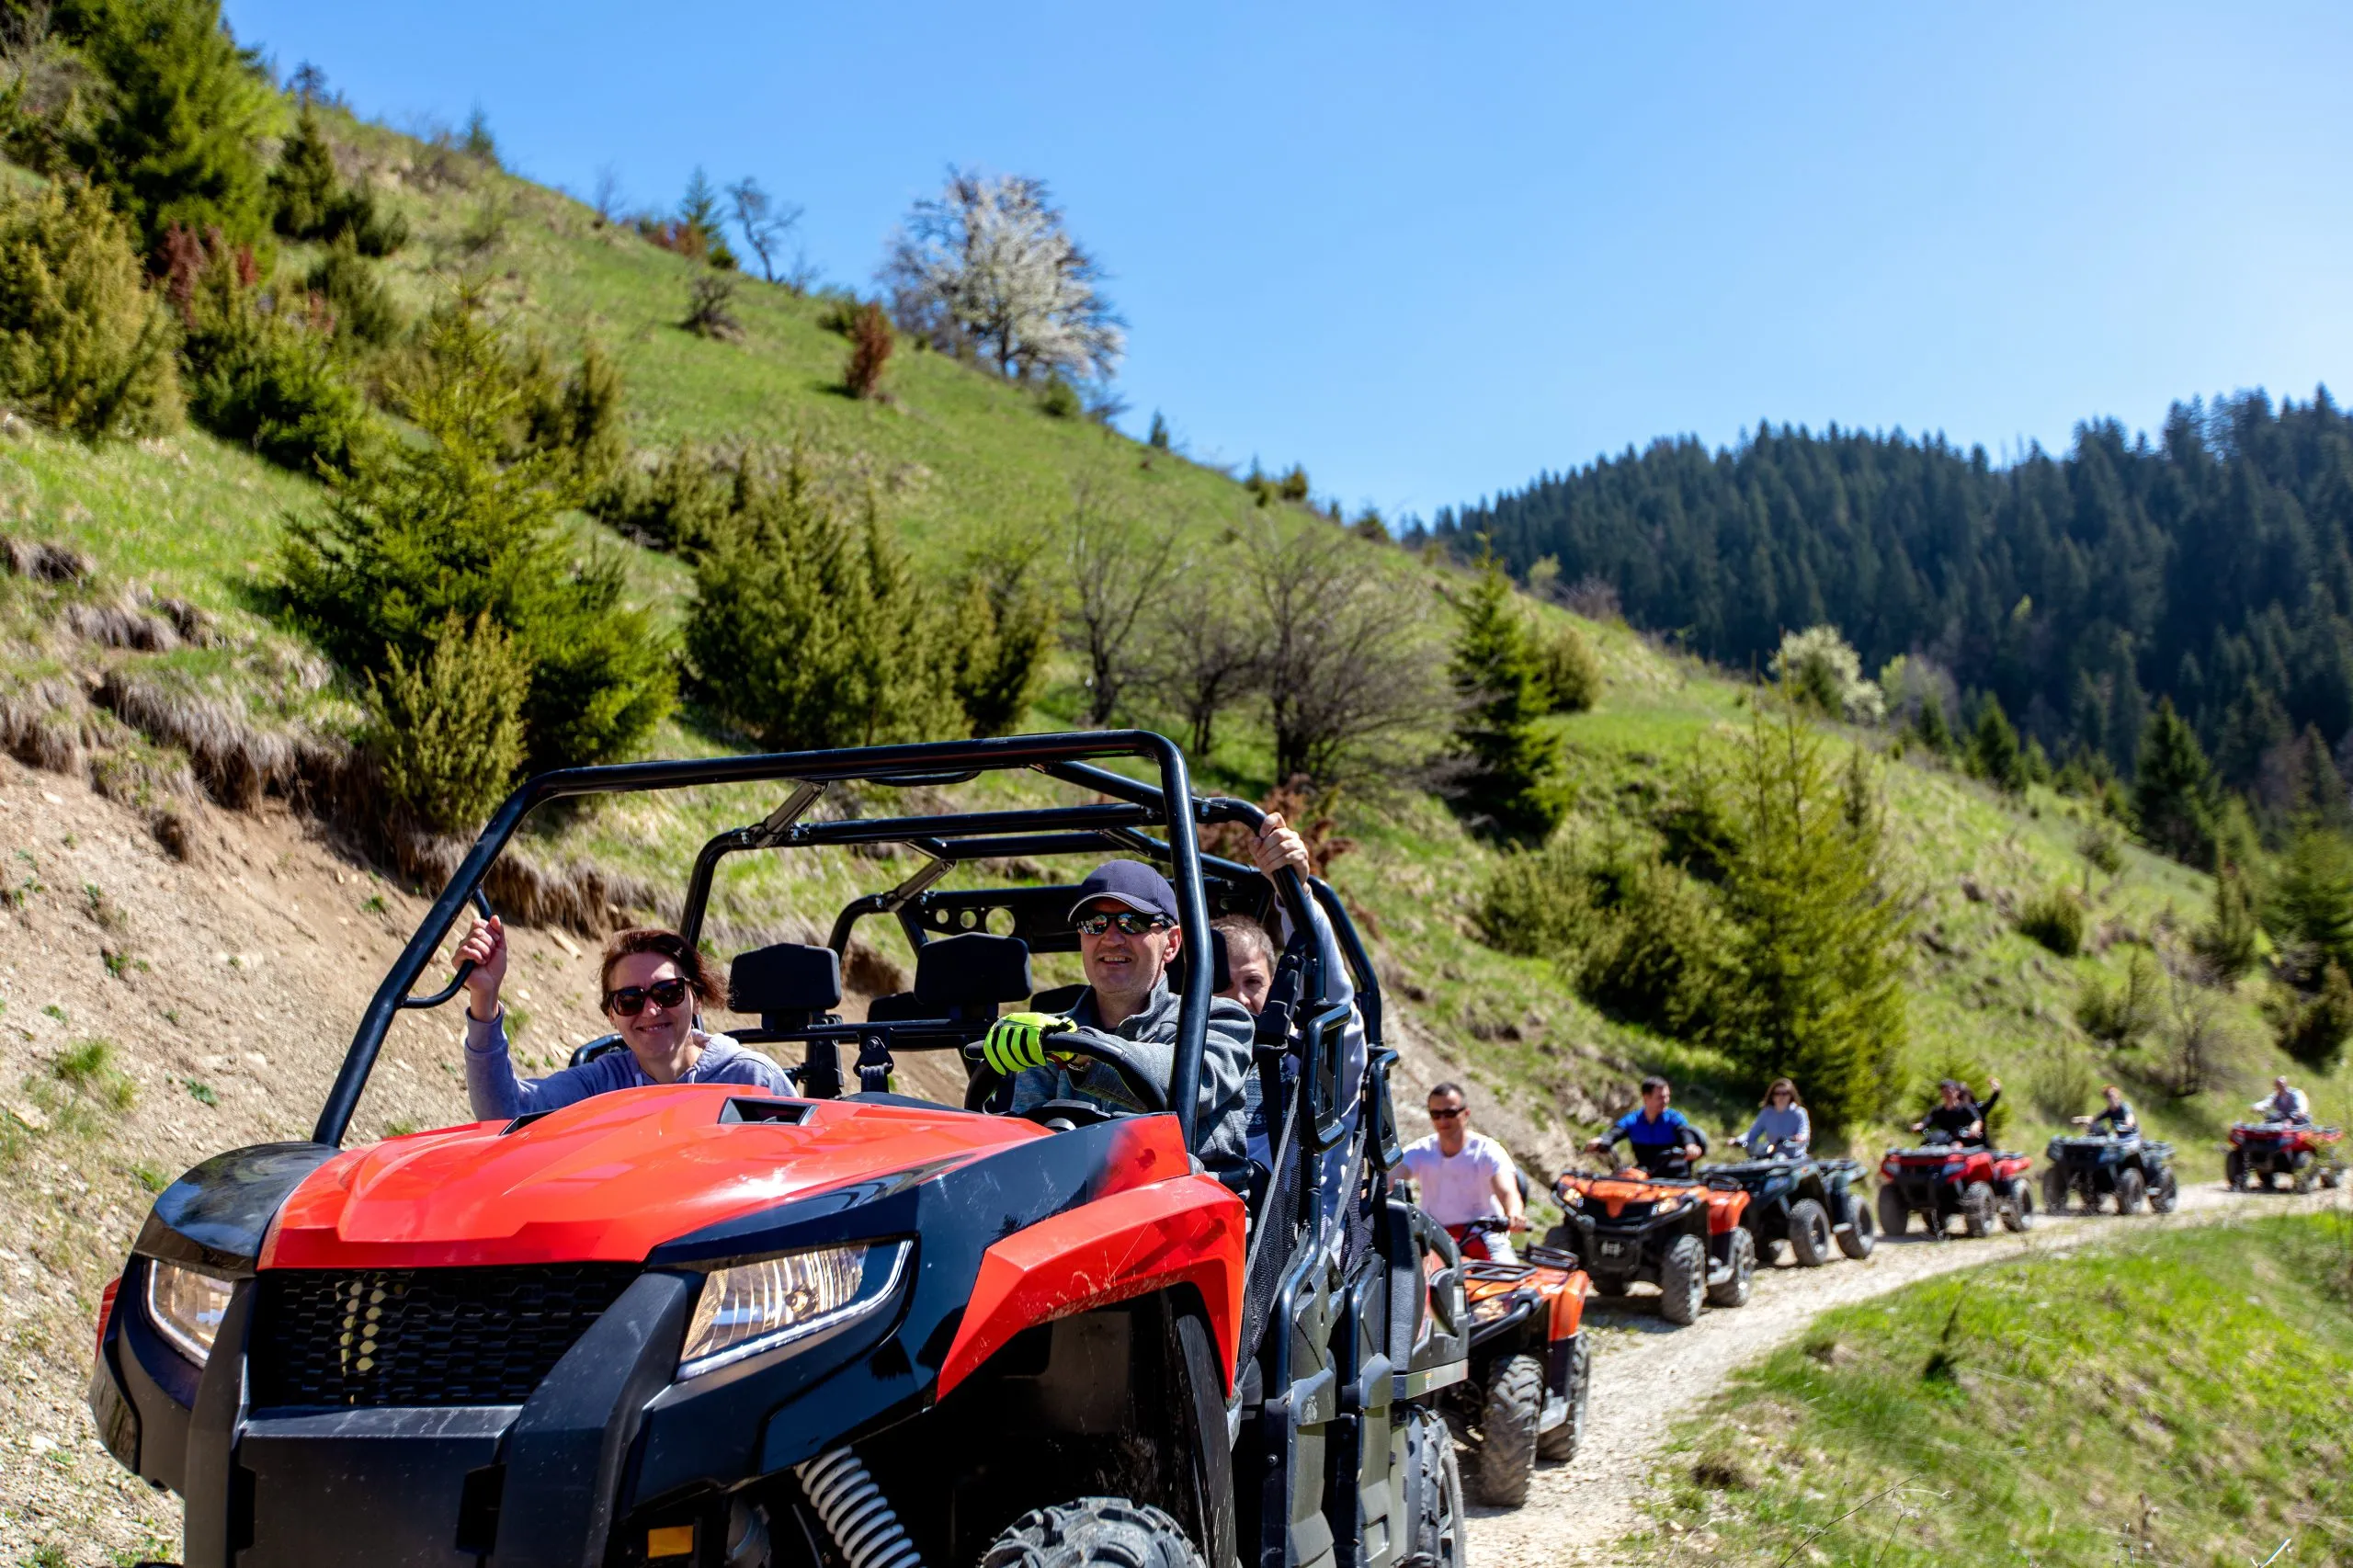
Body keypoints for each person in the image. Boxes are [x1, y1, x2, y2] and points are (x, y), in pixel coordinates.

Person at [979, 860, 1255, 1187]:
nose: (1111, 938)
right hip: (1079, 1218)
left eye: (1132, 922)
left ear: (1172, 943)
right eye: (1094, 923)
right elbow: (1029, 1152)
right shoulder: (1052, 1037)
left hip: (1193, 1219)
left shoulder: (1221, 1020)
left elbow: (1191, 1082)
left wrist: (1084, 1052)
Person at [455, 919, 795, 1119]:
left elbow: (808, 1174)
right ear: (611, 1015)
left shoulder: (750, 1077)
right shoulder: (600, 1088)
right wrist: (485, 999)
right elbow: (504, 1113)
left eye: (668, 992)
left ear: (698, 997)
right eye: (629, 1000)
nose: (650, 1011)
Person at [1400, 1083, 1527, 1261]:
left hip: (1484, 1235)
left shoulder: (1487, 1150)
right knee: (1404, 1282)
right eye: (1436, 1114)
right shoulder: (1421, 1150)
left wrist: (1514, 1213)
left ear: (1466, 1113)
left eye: (1450, 1113)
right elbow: (1389, 1178)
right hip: (1435, 1239)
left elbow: (1507, 1191)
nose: (1443, 1120)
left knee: (1506, 1281)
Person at [1587, 1075, 1709, 1176]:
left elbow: (1685, 1134)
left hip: (1675, 1177)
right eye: (1660, 1097)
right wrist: (1601, 1140)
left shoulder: (1674, 1118)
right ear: (1646, 1098)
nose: (1665, 1101)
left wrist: (1691, 1146)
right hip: (1645, 1173)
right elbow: (1615, 1133)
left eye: (1667, 1096)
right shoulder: (1633, 1120)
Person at [1213, 914, 1278, 1016]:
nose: (1240, 999)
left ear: (1273, 987)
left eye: (1253, 981)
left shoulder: (1304, 1030)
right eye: (1224, 984)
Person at [1912, 1076, 2003, 1146]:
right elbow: (1927, 1120)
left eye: (1950, 1091)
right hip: (1944, 1141)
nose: (1948, 1094)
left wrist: (1975, 1126)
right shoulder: (1938, 1110)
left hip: (1964, 1142)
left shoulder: (1967, 1108)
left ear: (1956, 1092)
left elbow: (1977, 1119)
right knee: (1927, 1144)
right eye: (1945, 1091)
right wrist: (1920, 1125)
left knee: (1957, 1146)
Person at [1740, 1078, 1811, 1158]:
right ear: (1772, 1096)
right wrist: (1737, 1140)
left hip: (1795, 1157)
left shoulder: (1799, 1112)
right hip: (1772, 1155)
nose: (1781, 1097)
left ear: (1791, 1095)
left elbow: (1804, 1132)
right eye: (1777, 1093)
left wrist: (1800, 1137)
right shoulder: (1767, 1113)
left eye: (1785, 1093)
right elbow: (1752, 1134)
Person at [2073, 1084, 2137, 1136]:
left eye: (2115, 1096)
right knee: (2094, 1127)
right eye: (2110, 1096)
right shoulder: (2109, 1111)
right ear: (2107, 1099)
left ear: (2118, 1096)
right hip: (2118, 1140)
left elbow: (2130, 1123)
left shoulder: (2125, 1107)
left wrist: (2116, 1132)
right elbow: (2093, 1119)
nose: (2113, 1098)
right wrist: (2080, 1119)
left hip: (2130, 1138)